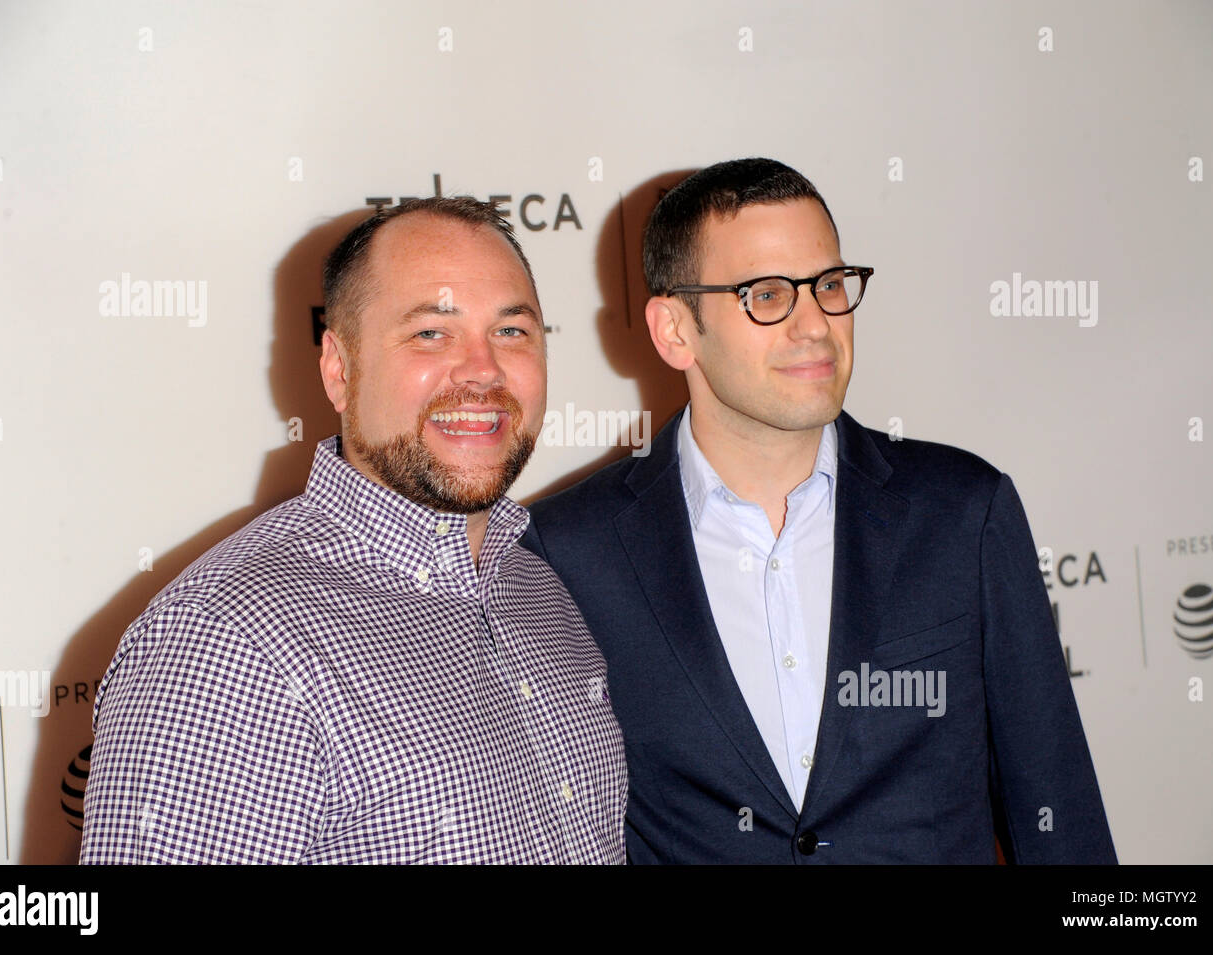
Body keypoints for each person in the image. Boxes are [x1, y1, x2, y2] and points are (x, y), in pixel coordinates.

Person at [521, 158, 1116, 864]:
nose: (816, 324)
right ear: (675, 329)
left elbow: (1057, 814)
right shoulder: (569, 552)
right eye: (766, 294)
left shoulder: (962, 512)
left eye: (830, 285)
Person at [80, 196, 627, 864]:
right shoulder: (227, 643)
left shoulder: (537, 587)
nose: (483, 370)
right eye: (432, 332)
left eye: (512, 332)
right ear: (339, 369)